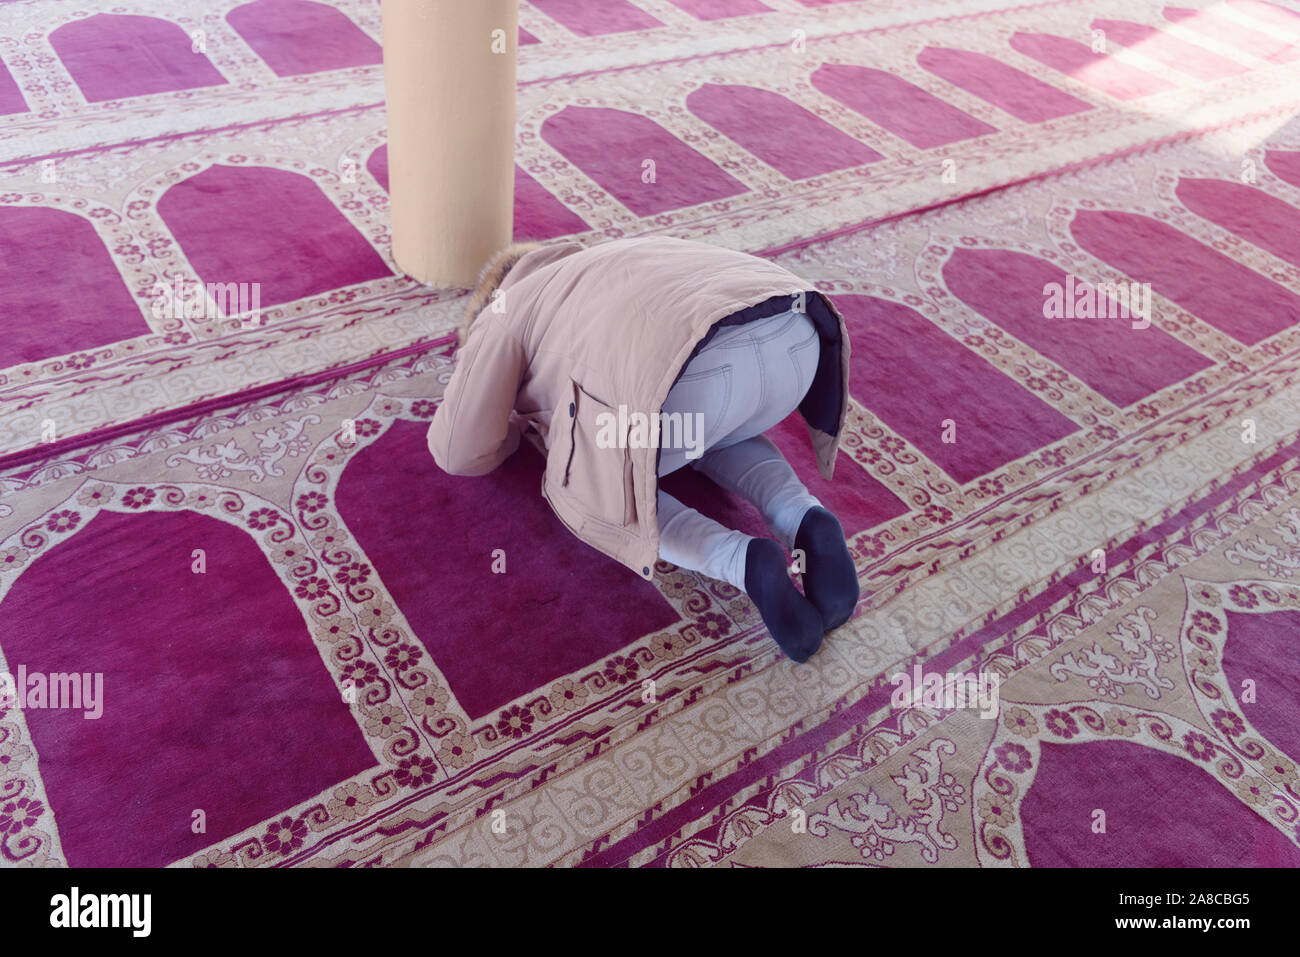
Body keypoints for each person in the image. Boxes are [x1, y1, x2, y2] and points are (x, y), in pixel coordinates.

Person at [428, 236, 858, 662]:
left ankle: (743, 560)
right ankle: (802, 514)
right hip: (799, 338)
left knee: (602, 484)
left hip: (695, 379)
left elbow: (459, 450)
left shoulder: (507, 307)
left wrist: (514, 430)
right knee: (710, 428)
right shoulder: (613, 253)